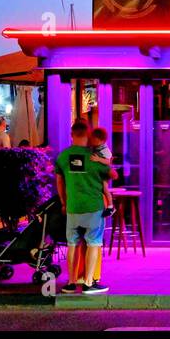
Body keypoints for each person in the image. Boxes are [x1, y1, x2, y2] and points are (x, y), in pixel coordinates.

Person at [54, 120, 116, 294]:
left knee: (72, 244)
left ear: (71, 135)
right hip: (94, 207)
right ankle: (89, 283)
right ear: (88, 135)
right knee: (93, 243)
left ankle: (71, 283)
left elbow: (59, 182)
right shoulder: (94, 157)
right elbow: (112, 174)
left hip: (73, 207)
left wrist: (64, 202)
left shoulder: (63, 156)